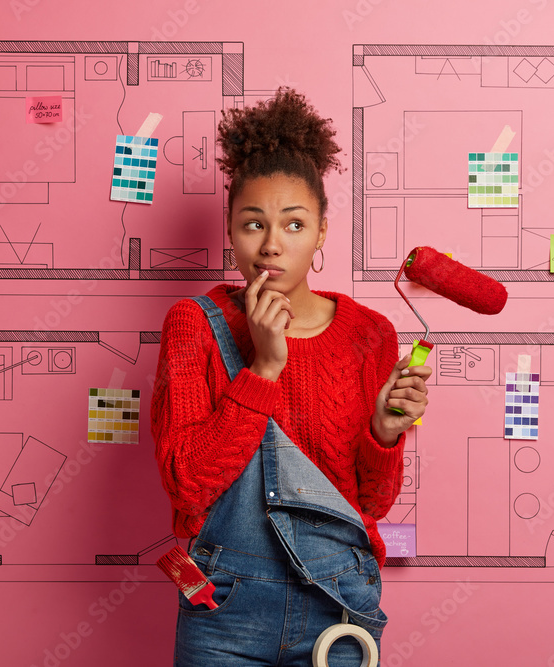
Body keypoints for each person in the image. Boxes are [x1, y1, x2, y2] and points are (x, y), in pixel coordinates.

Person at [152, 87, 431, 666]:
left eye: (295, 224)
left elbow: (371, 504)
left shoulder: (369, 335)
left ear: (322, 231)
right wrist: (265, 367)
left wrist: (383, 434)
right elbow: (187, 484)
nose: (272, 245)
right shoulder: (193, 326)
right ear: (230, 228)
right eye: (253, 224)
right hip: (223, 611)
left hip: (338, 602)